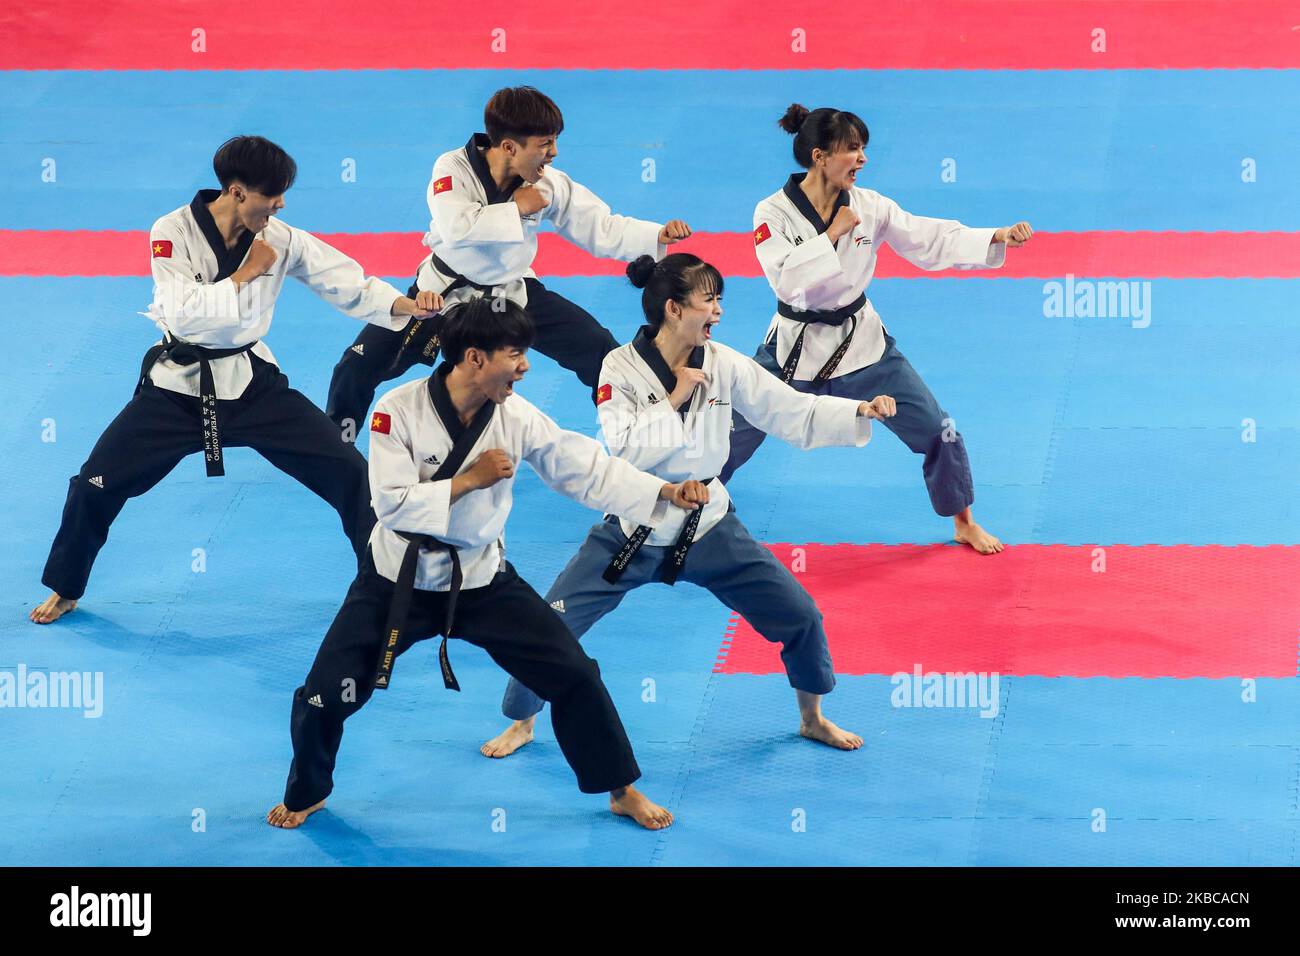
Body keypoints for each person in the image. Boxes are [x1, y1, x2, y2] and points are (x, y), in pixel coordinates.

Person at [268, 299, 706, 831]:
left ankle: (620, 789)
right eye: (515, 354)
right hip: (395, 582)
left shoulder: (515, 415)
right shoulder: (396, 410)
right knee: (321, 694)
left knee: (575, 676)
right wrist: (467, 481)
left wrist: (660, 489)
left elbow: (582, 468)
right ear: (474, 358)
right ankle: (309, 790)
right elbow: (388, 502)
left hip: (481, 581)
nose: (526, 366)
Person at [480, 253, 897, 760]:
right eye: (709, 300)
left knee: (802, 615)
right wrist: (671, 398)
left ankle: (812, 717)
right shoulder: (620, 368)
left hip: (710, 529)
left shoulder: (722, 363)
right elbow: (623, 449)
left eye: (720, 299)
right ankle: (522, 722)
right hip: (634, 528)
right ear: (674, 309)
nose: (718, 311)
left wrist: (859, 409)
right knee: (549, 626)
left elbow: (791, 410)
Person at [30, 135, 440, 625]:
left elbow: (342, 280)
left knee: (351, 474)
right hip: (176, 390)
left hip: (252, 387)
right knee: (94, 485)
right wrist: (245, 275)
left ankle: (386, 584)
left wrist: (402, 305)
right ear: (238, 192)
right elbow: (182, 315)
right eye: (273, 194)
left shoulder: (279, 238)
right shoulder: (172, 232)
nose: (281, 204)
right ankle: (66, 586)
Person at [721, 104, 1035, 554]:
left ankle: (963, 521)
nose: (863, 158)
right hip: (796, 348)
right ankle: (685, 505)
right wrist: (830, 236)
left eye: (864, 147)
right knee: (732, 430)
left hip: (862, 344)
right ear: (819, 156)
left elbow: (929, 238)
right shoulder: (772, 213)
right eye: (852, 149)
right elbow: (786, 279)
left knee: (939, 429)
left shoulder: (870, 206)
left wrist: (994, 237)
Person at [324, 85, 693, 432]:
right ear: (509, 146)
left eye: (555, 142)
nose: (554, 153)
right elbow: (456, 228)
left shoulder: (547, 182)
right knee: (357, 365)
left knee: (601, 351)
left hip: (512, 293)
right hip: (442, 296)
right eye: (545, 143)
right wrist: (515, 209)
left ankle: (641, 439)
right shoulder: (452, 169)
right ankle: (341, 455)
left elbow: (598, 225)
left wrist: (652, 236)